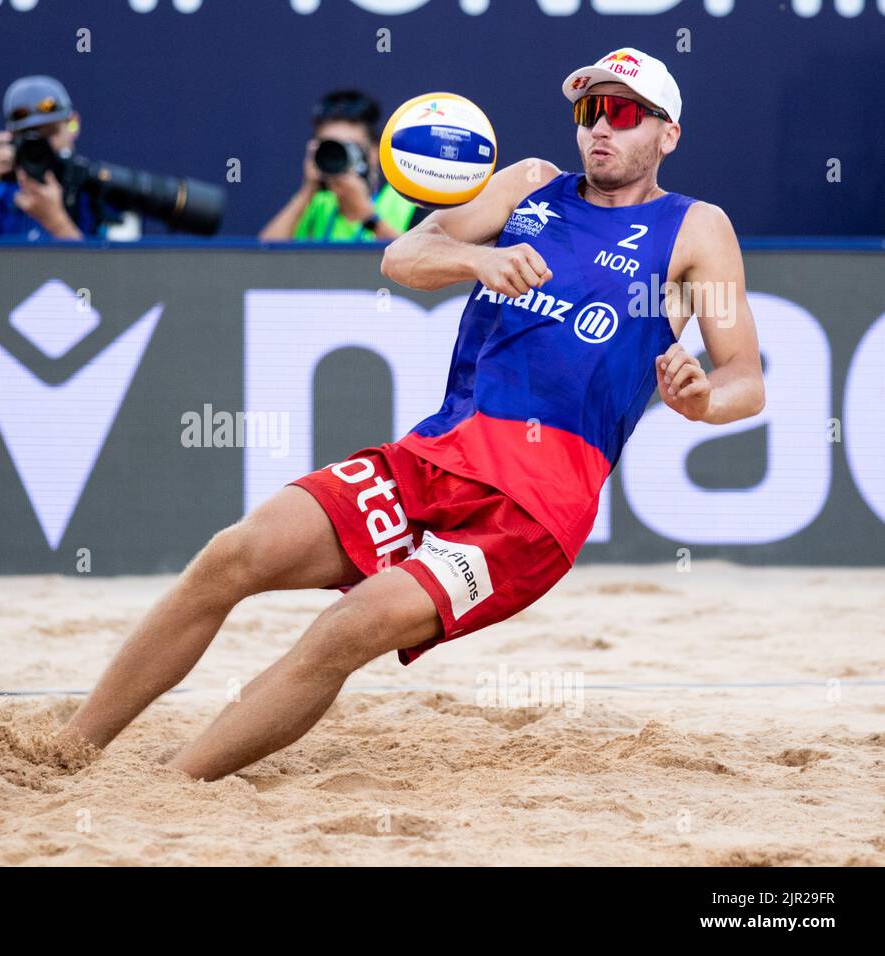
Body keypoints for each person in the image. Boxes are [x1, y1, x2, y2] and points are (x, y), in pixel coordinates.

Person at [54, 48, 765, 782]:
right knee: (230, 557)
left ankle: (172, 788)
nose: (599, 129)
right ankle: (63, 753)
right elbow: (404, 255)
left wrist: (703, 399)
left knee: (346, 628)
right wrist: (478, 261)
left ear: (668, 133)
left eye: (622, 112)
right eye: (589, 111)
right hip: (436, 456)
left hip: (530, 511)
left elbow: (747, 377)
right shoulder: (530, 186)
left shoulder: (695, 229)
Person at [0, 74, 133, 240]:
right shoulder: (1, 194)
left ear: (73, 124)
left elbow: (117, 275)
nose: (41, 145)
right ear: (10, 137)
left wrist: (57, 222)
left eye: (51, 132)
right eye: (29, 136)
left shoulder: (103, 190)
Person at [259, 89, 426, 242]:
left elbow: (421, 265)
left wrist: (368, 218)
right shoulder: (318, 203)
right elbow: (265, 256)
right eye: (331, 147)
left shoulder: (405, 200)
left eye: (350, 147)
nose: (339, 156)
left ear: (375, 151)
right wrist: (306, 192)